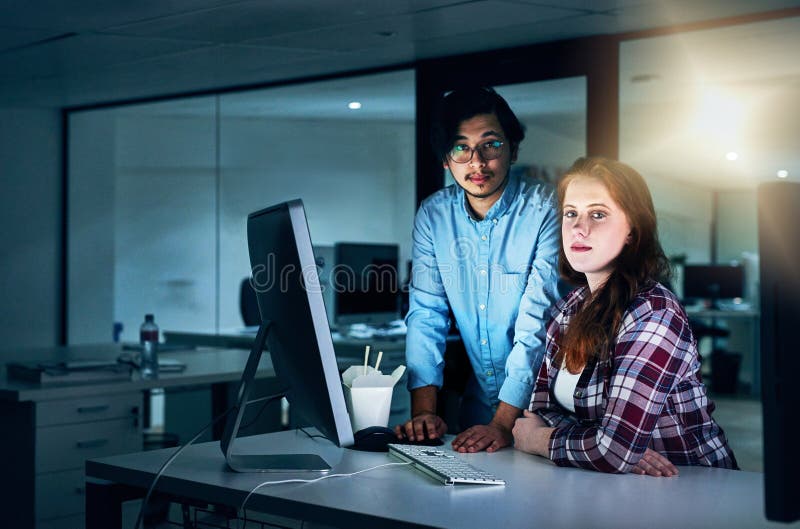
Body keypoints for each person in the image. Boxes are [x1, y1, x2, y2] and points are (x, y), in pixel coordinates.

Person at [512, 156, 738, 475]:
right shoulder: (569, 307)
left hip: (694, 486)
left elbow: (609, 450)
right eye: (571, 213)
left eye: (598, 214)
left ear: (632, 229)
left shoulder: (654, 313)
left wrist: (539, 441)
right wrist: (608, 447)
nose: (578, 227)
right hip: (604, 487)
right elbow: (541, 413)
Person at [396, 86, 561, 453]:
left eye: (491, 145)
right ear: (445, 158)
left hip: (546, 412)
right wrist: (424, 415)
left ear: (513, 150)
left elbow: (538, 320)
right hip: (478, 411)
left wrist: (503, 424)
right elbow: (426, 315)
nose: (477, 163)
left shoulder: (545, 208)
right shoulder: (433, 216)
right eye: (461, 148)